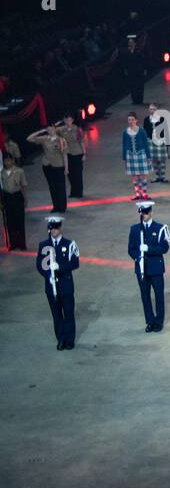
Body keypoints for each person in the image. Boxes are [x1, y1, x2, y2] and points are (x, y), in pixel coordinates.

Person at [127, 200, 169, 332]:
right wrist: (138, 255)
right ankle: (150, 321)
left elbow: (164, 247)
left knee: (158, 295)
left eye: (146, 212)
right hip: (141, 269)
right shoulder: (135, 229)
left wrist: (148, 249)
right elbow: (131, 249)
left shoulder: (159, 228)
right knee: (145, 296)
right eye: (142, 213)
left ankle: (159, 321)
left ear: (151, 212)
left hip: (156, 268)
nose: (143, 215)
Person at [37, 216, 78, 350]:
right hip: (51, 287)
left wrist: (60, 267)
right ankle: (61, 339)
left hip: (66, 286)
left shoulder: (69, 244)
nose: (53, 231)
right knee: (57, 315)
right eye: (51, 228)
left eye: (55, 228)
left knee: (68, 312)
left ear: (60, 228)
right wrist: (48, 274)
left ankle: (70, 340)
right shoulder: (44, 246)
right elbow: (40, 265)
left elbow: (75, 263)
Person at [29, 124, 68, 213]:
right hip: (47, 166)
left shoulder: (61, 140)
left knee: (60, 187)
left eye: (52, 129)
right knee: (52, 187)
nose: (50, 131)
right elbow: (29, 138)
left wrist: (66, 168)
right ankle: (56, 206)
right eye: (48, 130)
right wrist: (40, 132)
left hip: (58, 165)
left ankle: (62, 207)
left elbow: (65, 154)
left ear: (55, 129)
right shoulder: (44, 139)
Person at [121, 112, 150, 201]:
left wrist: (148, 156)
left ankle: (144, 193)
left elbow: (146, 144)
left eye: (132, 119)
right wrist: (124, 157)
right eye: (129, 120)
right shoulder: (125, 132)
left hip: (141, 154)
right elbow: (124, 145)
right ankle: (137, 193)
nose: (131, 121)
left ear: (136, 120)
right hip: (130, 155)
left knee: (142, 175)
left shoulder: (141, 131)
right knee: (134, 176)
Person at [1, 150, 27, 251]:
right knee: (10, 222)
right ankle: (13, 243)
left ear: (12, 160)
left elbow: (24, 186)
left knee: (19, 221)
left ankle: (22, 243)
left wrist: (25, 199)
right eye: (5, 160)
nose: (7, 162)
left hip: (17, 196)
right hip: (7, 197)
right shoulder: (1, 173)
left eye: (9, 160)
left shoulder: (19, 171)